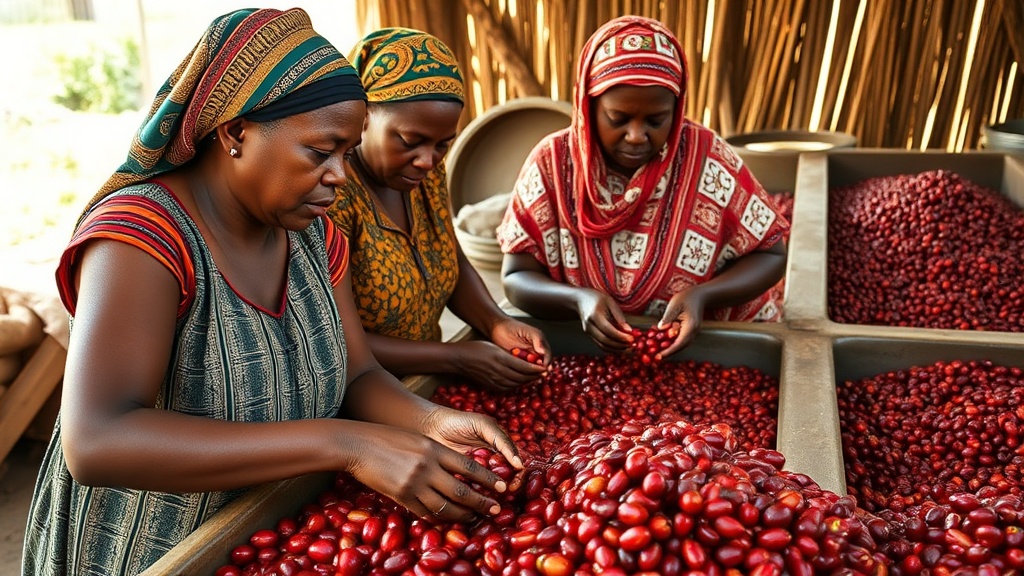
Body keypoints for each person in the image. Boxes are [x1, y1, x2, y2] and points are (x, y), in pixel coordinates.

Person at [23, 9, 521, 575]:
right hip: (152, 552)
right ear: (235, 131)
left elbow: (357, 374)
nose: (339, 174)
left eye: (346, 152)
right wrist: (347, 445)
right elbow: (98, 440)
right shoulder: (144, 237)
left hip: (268, 538)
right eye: (320, 152)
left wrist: (428, 421)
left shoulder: (313, 236)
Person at [498, 16, 790, 358]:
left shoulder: (706, 157)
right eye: (618, 118)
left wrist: (701, 296)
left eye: (656, 120)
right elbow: (516, 277)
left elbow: (770, 253)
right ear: (589, 106)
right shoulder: (552, 163)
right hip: (590, 350)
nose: (637, 136)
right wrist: (578, 300)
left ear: (676, 109)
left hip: (707, 345)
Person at [327, 28, 550, 392]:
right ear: (363, 118)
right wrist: (456, 357)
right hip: (362, 394)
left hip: (426, 381)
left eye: (443, 145)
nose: (427, 160)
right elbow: (340, 340)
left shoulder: (426, 177)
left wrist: (496, 322)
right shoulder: (333, 195)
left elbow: (452, 261)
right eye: (410, 142)